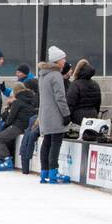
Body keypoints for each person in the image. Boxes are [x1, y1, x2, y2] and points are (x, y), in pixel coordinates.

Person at [36, 46, 73, 184]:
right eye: (63, 59)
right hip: (55, 115)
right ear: (58, 61)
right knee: (55, 143)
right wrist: (66, 114)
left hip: (45, 114)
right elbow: (60, 97)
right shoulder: (56, 75)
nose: (65, 62)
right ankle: (53, 172)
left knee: (47, 142)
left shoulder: (43, 75)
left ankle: (44, 172)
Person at [0, 82, 36, 170]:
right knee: (4, 138)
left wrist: (5, 125)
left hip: (18, 126)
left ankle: (7, 161)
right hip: (28, 125)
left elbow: (11, 118)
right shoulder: (31, 99)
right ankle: (2, 160)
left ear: (15, 92)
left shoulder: (17, 102)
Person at [66, 58, 101, 124]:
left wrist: (67, 118)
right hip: (93, 116)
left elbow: (70, 104)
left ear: (78, 70)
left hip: (78, 118)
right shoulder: (95, 84)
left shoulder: (75, 84)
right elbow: (98, 103)